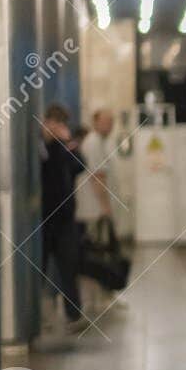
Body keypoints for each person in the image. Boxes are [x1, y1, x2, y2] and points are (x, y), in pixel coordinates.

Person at [40, 104, 86, 334]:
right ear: (47, 122)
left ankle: (74, 314)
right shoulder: (39, 146)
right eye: (57, 124)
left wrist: (68, 143)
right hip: (42, 220)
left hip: (65, 218)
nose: (60, 128)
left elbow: (80, 166)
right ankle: (37, 316)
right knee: (38, 268)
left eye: (62, 125)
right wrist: (48, 141)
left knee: (69, 265)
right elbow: (42, 168)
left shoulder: (62, 147)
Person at [76, 107, 123, 312]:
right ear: (96, 122)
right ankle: (97, 299)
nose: (110, 125)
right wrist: (106, 208)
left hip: (95, 209)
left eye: (111, 121)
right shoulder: (94, 143)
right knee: (98, 254)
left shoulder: (99, 142)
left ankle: (103, 296)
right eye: (106, 121)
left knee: (100, 253)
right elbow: (98, 177)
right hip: (94, 210)